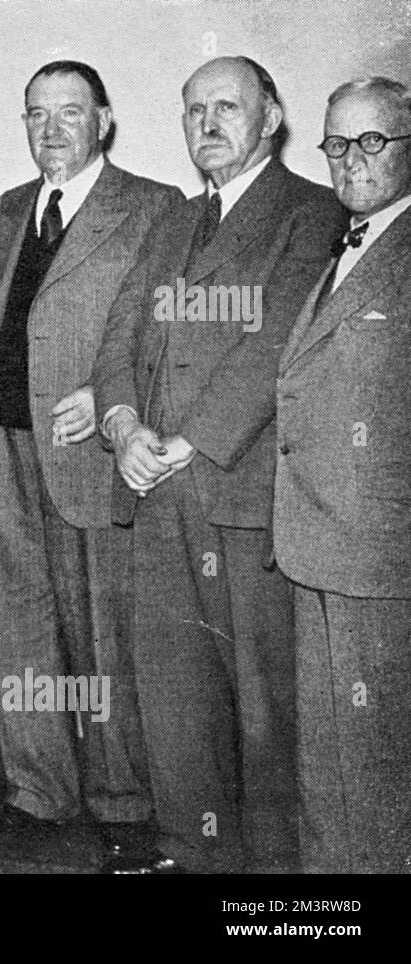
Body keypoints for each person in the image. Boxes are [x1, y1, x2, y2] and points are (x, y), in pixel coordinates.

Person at [92, 56, 346, 873]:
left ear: (271, 118)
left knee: (263, 703)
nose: (208, 123)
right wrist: (124, 423)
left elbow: (276, 346)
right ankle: (188, 851)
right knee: (174, 689)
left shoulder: (310, 213)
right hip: (157, 489)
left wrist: (187, 441)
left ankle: (270, 881)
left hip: (240, 492)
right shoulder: (172, 219)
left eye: (227, 107)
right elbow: (121, 334)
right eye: (193, 108)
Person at [0, 62, 182, 853]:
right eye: (36, 114)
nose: (51, 129)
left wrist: (107, 394)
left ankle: (123, 802)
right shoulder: (10, 208)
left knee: (104, 635)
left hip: (87, 450)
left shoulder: (155, 208)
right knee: (18, 624)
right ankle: (37, 789)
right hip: (5, 444)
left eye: (69, 112)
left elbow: (166, 330)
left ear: (106, 119)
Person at [275, 77, 411, 873]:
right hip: (318, 545)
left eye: (373, 141)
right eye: (337, 143)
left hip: (382, 557)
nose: (352, 159)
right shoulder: (348, 241)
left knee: (380, 772)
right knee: (327, 766)